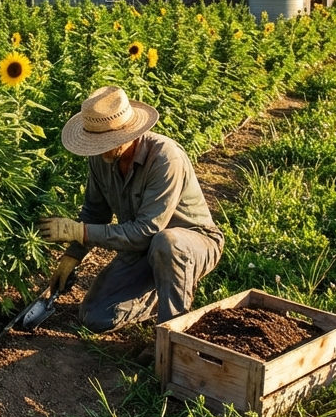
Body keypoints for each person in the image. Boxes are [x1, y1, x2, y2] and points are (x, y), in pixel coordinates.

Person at [38, 86, 223, 332]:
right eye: (94, 142)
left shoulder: (165, 159)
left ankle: (172, 333)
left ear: (127, 134)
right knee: (95, 317)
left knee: (166, 243)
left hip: (190, 244)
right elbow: (95, 212)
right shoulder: (100, 158)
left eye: (104, 142)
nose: (97, 148)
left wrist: (80, 232)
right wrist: (72, 256)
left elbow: (147, 231)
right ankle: (160, 292)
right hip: (143, 248)